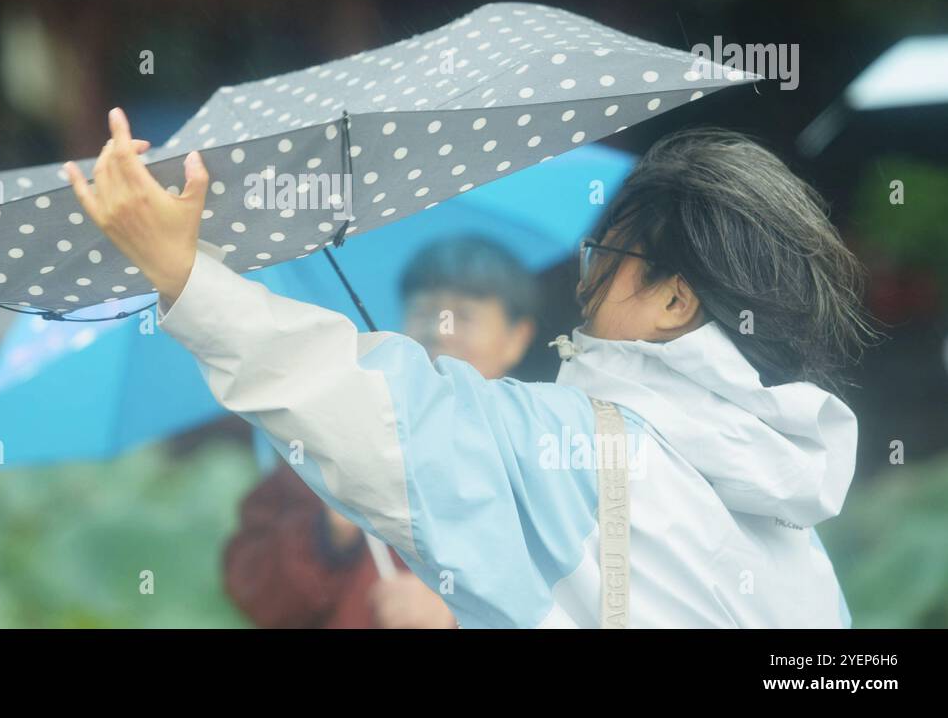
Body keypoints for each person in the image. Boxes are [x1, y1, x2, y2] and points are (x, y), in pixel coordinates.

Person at [66, 112, 871, 628]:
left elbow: (365, 411)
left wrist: (185, 273)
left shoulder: (573, 450)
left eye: (607, 254)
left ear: (672, 301)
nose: (585, 279)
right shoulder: (797, 532)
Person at [223, 236, 539, 628]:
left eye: (465, 316)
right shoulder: (331, 438)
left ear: (517, 337)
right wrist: (328, 534)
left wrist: (457, 616)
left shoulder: (542, 453)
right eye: (424, 312)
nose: (439, 331)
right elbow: (256, 594)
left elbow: (587, 591)